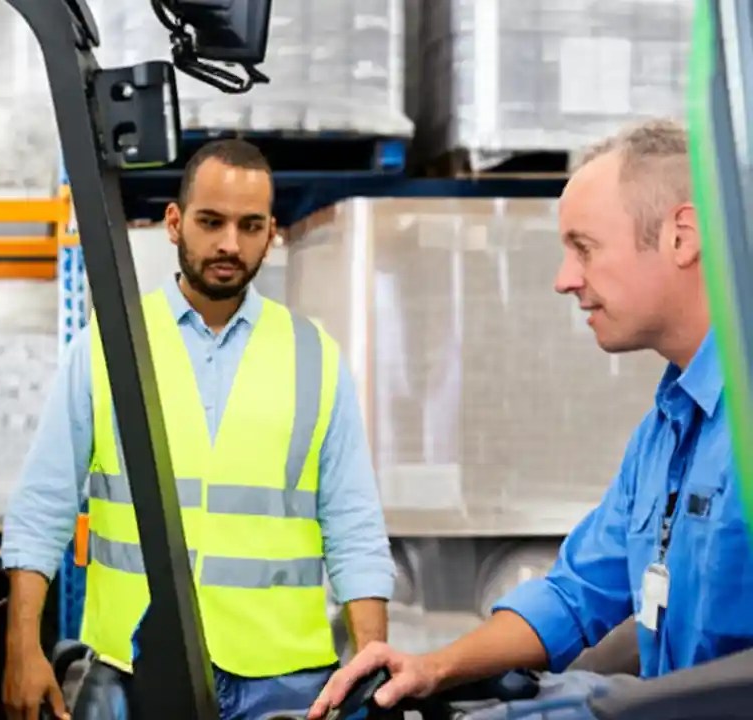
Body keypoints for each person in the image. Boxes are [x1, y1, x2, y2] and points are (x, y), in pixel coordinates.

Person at [309, 118, 753, 719]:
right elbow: (574, 595)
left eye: (584, 248)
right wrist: (432, 668)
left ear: (682, 236)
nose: (564, 279)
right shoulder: (665, 432)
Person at [0, 139, 397, 720]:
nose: (230, 244)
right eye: (211, 222)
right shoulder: (111, 344)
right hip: (133, 667)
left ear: (272, 233)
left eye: (250, 225)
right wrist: (22, 646)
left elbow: (354, 525)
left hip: (284, 680)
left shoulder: (314, 356)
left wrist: (370, 665)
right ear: (174, 222)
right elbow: (43, 505)